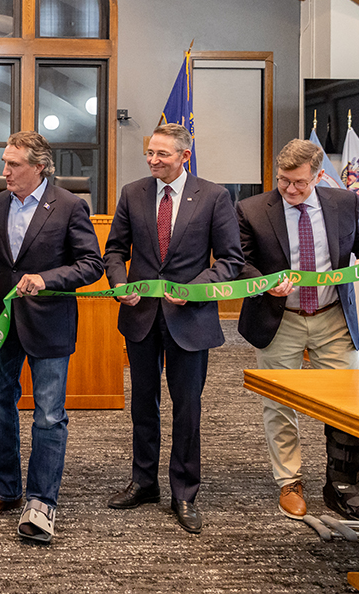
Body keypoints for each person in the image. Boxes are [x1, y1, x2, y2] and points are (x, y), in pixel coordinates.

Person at [0, 131, 103, 544]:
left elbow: (90, 264)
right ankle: (4, 490)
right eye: (4, 163)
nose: (3, 172)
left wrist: (46, 278)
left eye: (13, 164)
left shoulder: (70, 206)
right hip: (4, 324)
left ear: (39, 167)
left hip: (50, 325)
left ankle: (42, 501)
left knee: (48, 415)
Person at [103, 123, 243, 534]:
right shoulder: (133, 193)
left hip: (190, 321)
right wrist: (117, 282)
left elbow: (230, 262)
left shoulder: (215, 196)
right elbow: (115, 250)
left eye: (161, 154)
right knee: (143, 405)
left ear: (185, 154)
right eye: (150, 153)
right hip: (141, 317)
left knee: (188, 409)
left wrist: (195, 289)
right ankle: (144, 482)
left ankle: (185, 491)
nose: (152, 160)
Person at [236, 138, 359, 521]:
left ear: (319, 176)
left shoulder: (344, 203)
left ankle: (343, 483)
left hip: (333, 316)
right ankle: (290, 481)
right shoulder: (251, 209)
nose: (290, 189)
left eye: (299, 182)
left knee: (345, 405)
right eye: (284, 181)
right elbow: (239, 262)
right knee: (280, 404)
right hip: (279, 318)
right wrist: (265, 282)